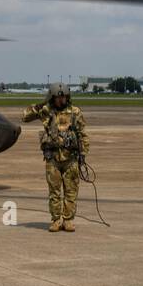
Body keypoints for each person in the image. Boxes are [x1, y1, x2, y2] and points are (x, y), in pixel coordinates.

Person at [23, 83, 89, 232]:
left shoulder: (75, 112)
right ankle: (56, 220)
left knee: (71, 191)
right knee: (54, 192)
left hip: (71, 158)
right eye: (58, 97)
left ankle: (68, 220)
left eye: (64, 96)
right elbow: (25, 117)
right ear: (52, 98)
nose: (62, 100)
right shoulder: (46, 111)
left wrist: (83, 154)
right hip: (52, 159)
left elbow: (83, 134)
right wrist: (40, 104)